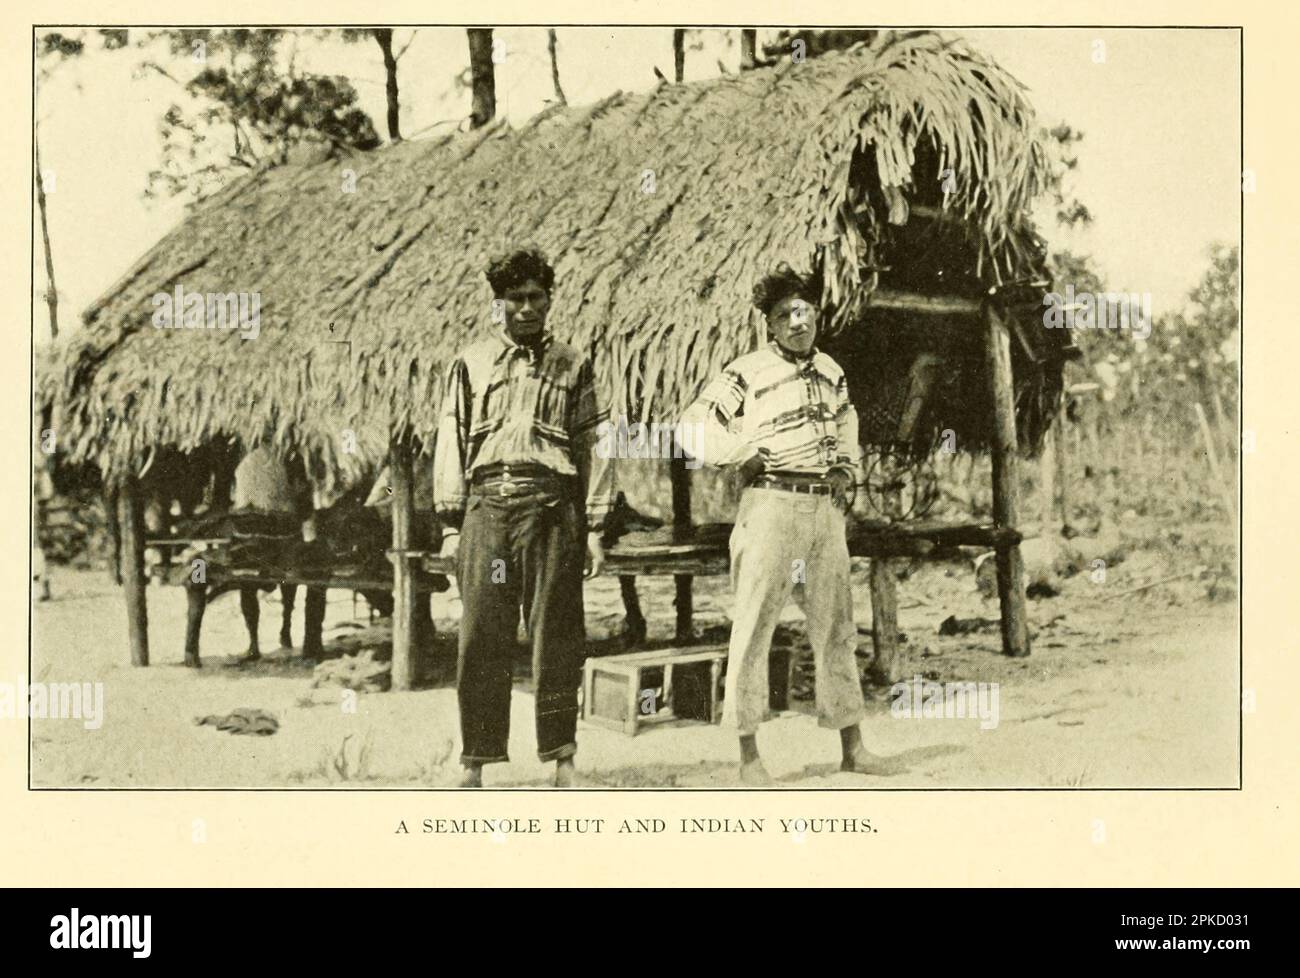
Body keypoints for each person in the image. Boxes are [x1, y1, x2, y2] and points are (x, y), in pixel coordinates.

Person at [682, 264, 899, 785]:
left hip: (823, 511)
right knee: (755, 626)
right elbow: (693, 423)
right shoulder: (748, 371)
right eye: (784, 315)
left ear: (816, 313)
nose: (797, 322)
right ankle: (749, 757)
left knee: (837, 629)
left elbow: (847, 421)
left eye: (804, 311)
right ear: (770, 324)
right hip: (771, 507)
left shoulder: (831, 370)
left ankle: (852, 746)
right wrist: (739, 451)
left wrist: (847, 464)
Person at [434, 246, 614, 788]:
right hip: (487, 508)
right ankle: (474, 761)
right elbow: (450, 438)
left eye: (537, 297)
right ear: (499, 305)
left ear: (550, 300)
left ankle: (562, 759)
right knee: (483, 633)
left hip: (551, 508)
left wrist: (597, 529)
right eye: (516, 299)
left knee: (556, 635)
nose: (527, 308)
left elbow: (596, 446)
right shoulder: (470, 363)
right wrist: (448, 525)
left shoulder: (574, 365)